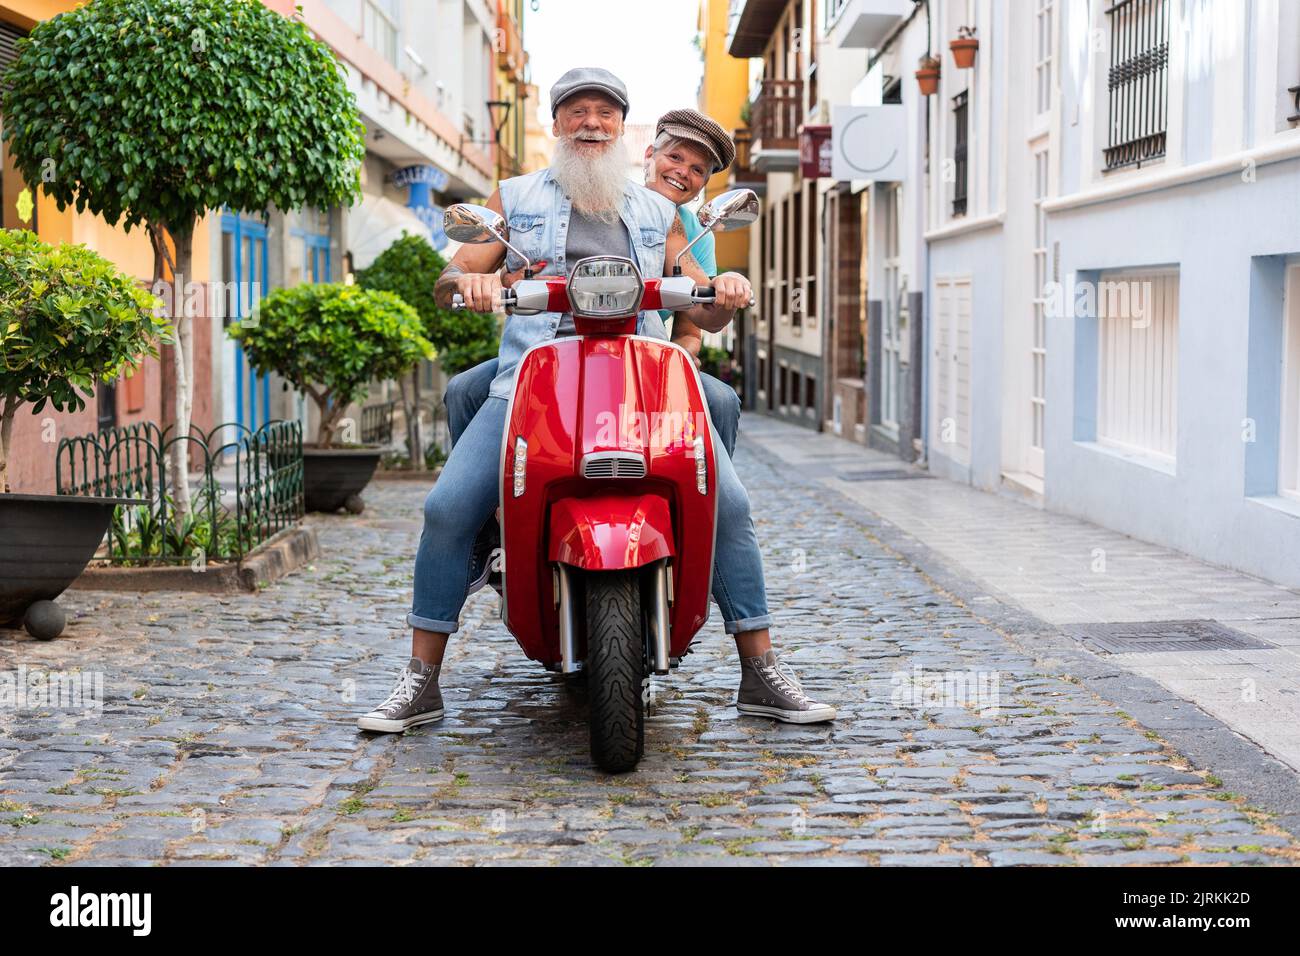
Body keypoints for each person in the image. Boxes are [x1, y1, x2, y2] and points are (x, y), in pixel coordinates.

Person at [357, 68, 836, 735]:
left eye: (605, 113)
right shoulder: (517, 198)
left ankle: (759, 669)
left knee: (729, 503)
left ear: (620, 128)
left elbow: (699, 294)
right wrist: (467, 285)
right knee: (445, 508)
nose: (591, 122)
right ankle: (421, 679)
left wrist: (724, 287)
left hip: (644, 381)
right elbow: (456, 270)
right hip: (530, 380)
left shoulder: (656, 212)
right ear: (556, 125)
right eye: (577, 111)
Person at [443, 108, 742, 460]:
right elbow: (469, 272)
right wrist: (492, 283)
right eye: (675, 157)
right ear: (649, 156)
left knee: (720, 401)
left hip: (644, 356)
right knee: (463, 390)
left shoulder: (682, 228)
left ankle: (706, 489)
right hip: (545, 352)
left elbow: (697, 318)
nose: (682, 172)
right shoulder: (536, 196)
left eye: (697, 170)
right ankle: (490, 496)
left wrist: (722, 295)